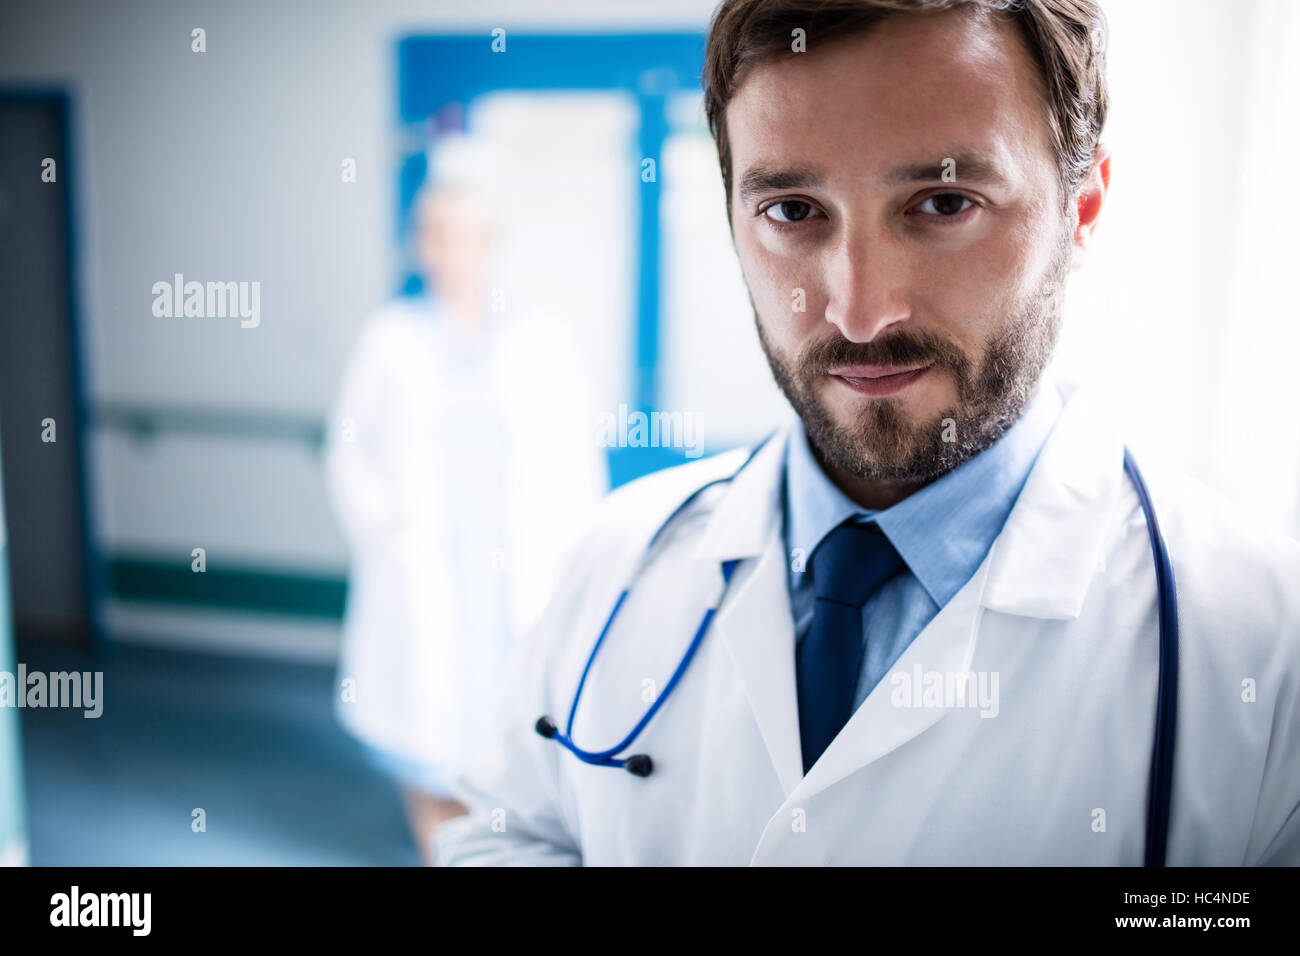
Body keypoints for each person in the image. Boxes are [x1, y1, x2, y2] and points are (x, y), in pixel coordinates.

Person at [433, 0, 1300, 866]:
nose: (857, 312)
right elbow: (503, 835)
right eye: (793, 211)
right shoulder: (617, 561)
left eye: (944, 201)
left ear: (1082, 208)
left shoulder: (1257, 639)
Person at [324, 153, 607, 865]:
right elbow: (348, 451)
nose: (454, 249)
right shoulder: (390, 340)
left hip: (520, 577)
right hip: (426, 569)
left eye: (468, 233)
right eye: (439, 234)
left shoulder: (540, 339)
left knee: (514, 744)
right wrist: (385, 526)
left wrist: (579, 558)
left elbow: (576, 456)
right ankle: (440, 855)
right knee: (427, 741)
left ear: (490, 241)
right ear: (422, 244)